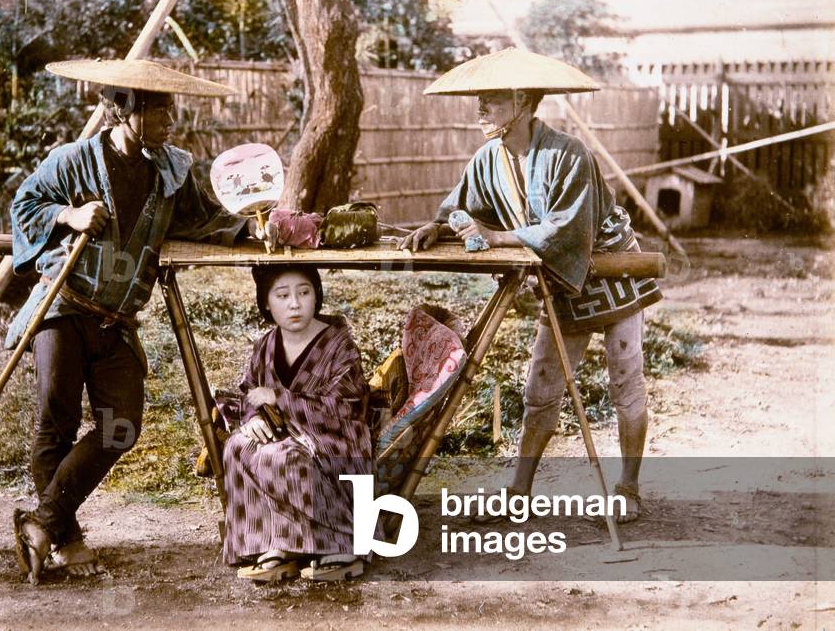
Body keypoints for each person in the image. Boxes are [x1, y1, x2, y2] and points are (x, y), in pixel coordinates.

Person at [7, 58, 274, 582]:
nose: (170, 119)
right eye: (159, 110)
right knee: (57, 419)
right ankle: (65, 539)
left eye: (170, 109)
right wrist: (68, 215)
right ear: (123, 109)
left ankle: (41, 524)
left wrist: (250, 230)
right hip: (64, 307)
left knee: (122, 425)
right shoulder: (73, 161)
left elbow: (202, 219)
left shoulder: (170, 171)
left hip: (116, 321)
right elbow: (24, 205)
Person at [399, 48, 662, 522]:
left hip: (609, 270)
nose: (481, 108)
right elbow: (464, 207)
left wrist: (498, 236)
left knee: (625, 381)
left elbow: (567, 230)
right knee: (541, 387)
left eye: (493, 100)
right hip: (558, 278)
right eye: (480, 100)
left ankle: (628, 487)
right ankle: (519, 490)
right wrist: (437, 227)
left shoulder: (569, 153)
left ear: (522, 101)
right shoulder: (488, 159)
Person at [222, 265, 372, 582]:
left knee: (282, 455)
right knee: (238, 446)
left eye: (304, 292)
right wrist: (252, 418)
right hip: (283, 433)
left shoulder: (339, 345)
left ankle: (342, 543)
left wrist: (279, 398)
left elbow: (345, 407)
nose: (294, 304)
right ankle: (275, 542)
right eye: (282, 295)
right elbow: (248, 392)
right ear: (266, 303)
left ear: (316, 296)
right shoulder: (265, 345)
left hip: (333, 438)